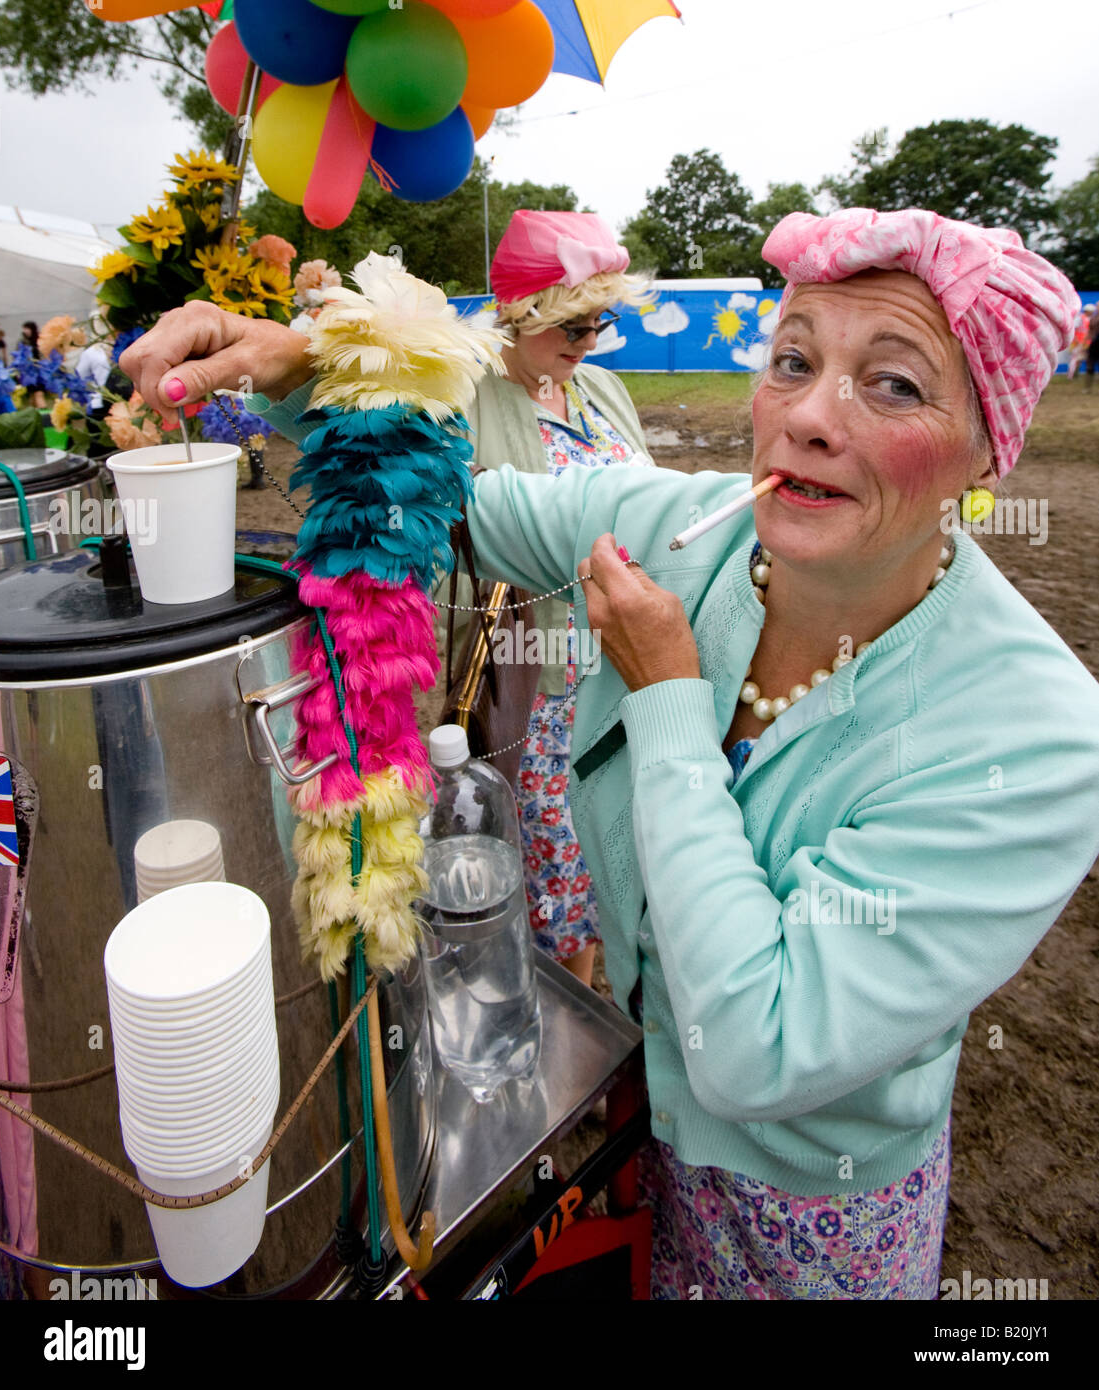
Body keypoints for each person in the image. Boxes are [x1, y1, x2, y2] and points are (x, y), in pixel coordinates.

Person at [120, 207, 1099, 1300]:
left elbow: (756, 1044)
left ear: (986, 451)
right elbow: (453, 507)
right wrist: (308, 357)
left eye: (895, 384)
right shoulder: (689, 526)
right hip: (644, 1115)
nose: (808, 418)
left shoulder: (1036, 733)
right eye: (791, 361)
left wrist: (671, 699)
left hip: (817, 1209)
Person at [447, 210, 655, 987]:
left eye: (597, 323)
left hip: (626, 665)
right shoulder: (467, 398)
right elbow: (458, 539)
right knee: (555, 860)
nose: (584, 342)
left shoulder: (599, 386)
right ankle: (566, 1024)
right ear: (517, 313)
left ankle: (604, 1001)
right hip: (540, 679)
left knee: (618, 850)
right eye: (566, 324)